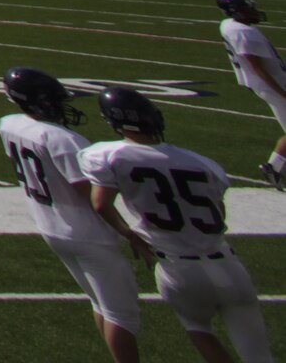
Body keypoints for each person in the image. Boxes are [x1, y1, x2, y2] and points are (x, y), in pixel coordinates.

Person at [83, 85, 268, 363]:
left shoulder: (107, 155)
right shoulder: (206, 164)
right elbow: (218, 212)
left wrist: (130, 235)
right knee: (260, 356)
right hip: (228, 266)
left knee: (200, 330)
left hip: (178, 268)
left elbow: (100, 203)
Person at [0, 66, 143, 363]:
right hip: (87, 234)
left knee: (101, 303)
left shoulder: (9, 123)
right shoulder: (64, 140)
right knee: (121, 313)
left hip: (52, 226)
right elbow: (90, 195)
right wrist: (128, 231)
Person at [217, 0, 286, 192]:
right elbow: (257, 67)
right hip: (274, 85)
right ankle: (272, 167)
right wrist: (282, 92)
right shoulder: (243, 32)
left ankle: (273, 166)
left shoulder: (228, 25)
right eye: (248, 9)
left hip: (271, 83)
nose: (253, 12)